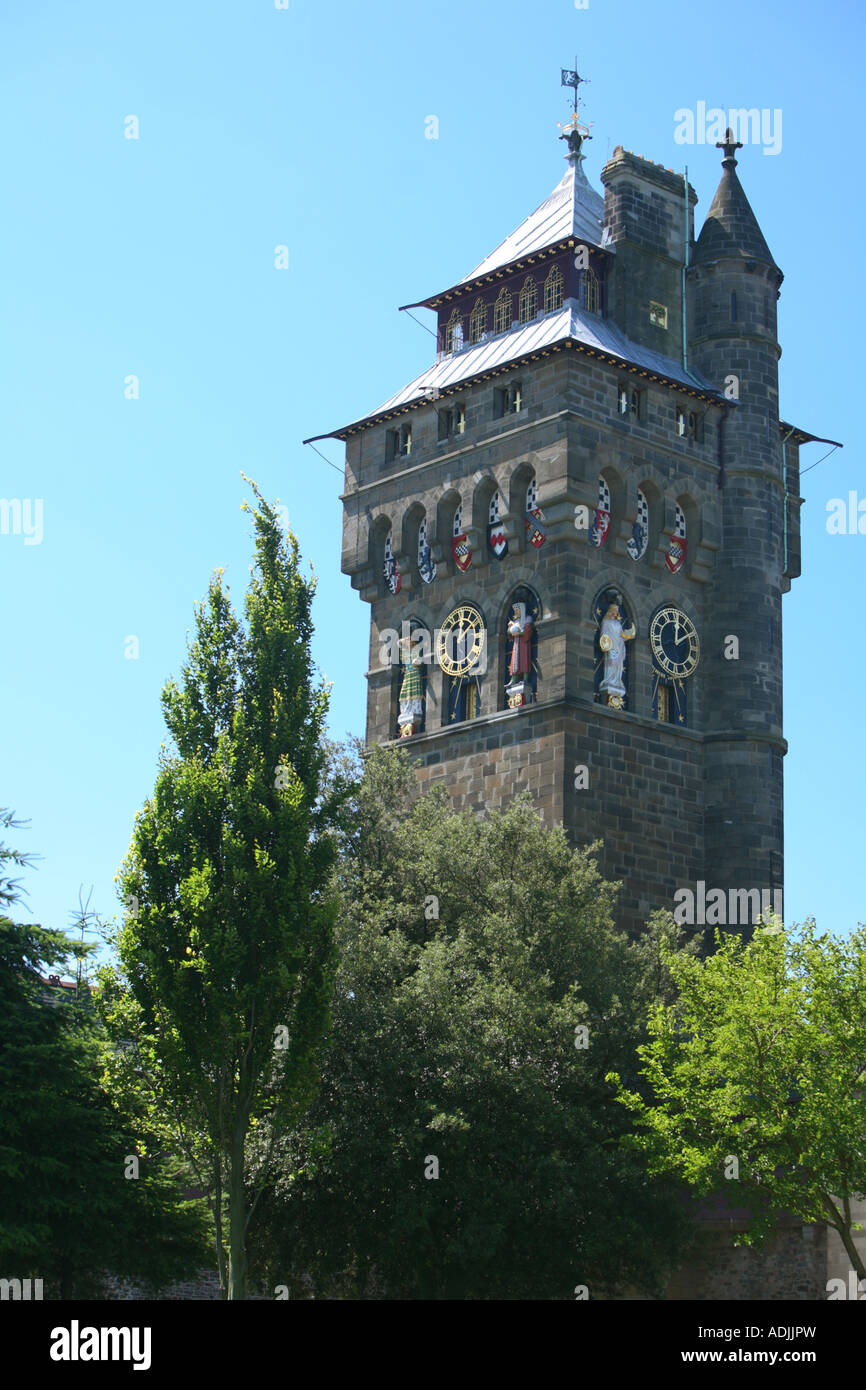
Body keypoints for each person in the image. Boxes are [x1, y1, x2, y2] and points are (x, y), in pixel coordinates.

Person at [599, 603, 635, 706]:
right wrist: (605, 644)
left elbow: (621, 635)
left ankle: (617, 682)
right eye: (613, 612)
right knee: (611, 664)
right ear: (610, 612)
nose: (615, 614)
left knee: (618, 666)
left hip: (619, 646)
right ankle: (609, 680)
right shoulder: (606, 622)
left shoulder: (618, 624)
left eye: (616, 612)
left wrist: (628, 635)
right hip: (611, 647)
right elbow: (604, 634)